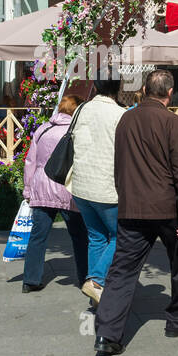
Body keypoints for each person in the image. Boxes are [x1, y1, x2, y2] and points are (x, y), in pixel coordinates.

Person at [93, 69, 178, 356]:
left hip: (133, 206)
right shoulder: (171, 121)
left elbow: (119, 165)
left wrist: (123, 196)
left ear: (143, 89)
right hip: (166, 207)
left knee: (122, 271)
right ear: (169, 93)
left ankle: (106, 334)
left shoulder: (126, 118)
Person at [20, 94, 90, 293]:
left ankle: (30, 281)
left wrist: (27, 189)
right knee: (79, 236)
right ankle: (84, 278)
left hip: (42, 187)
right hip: (68, 189)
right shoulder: (77, 131)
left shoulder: (43, 130)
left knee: (38, 236)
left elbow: (30, 162)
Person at [67, 78, 127, 307]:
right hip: (106, 188)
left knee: (96, 237)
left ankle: (95, 291)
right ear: (118, 88)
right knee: (121, 235)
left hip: (81, 185)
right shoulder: (119, 114)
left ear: (96, 87)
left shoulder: (81, 109)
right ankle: (97, 281)